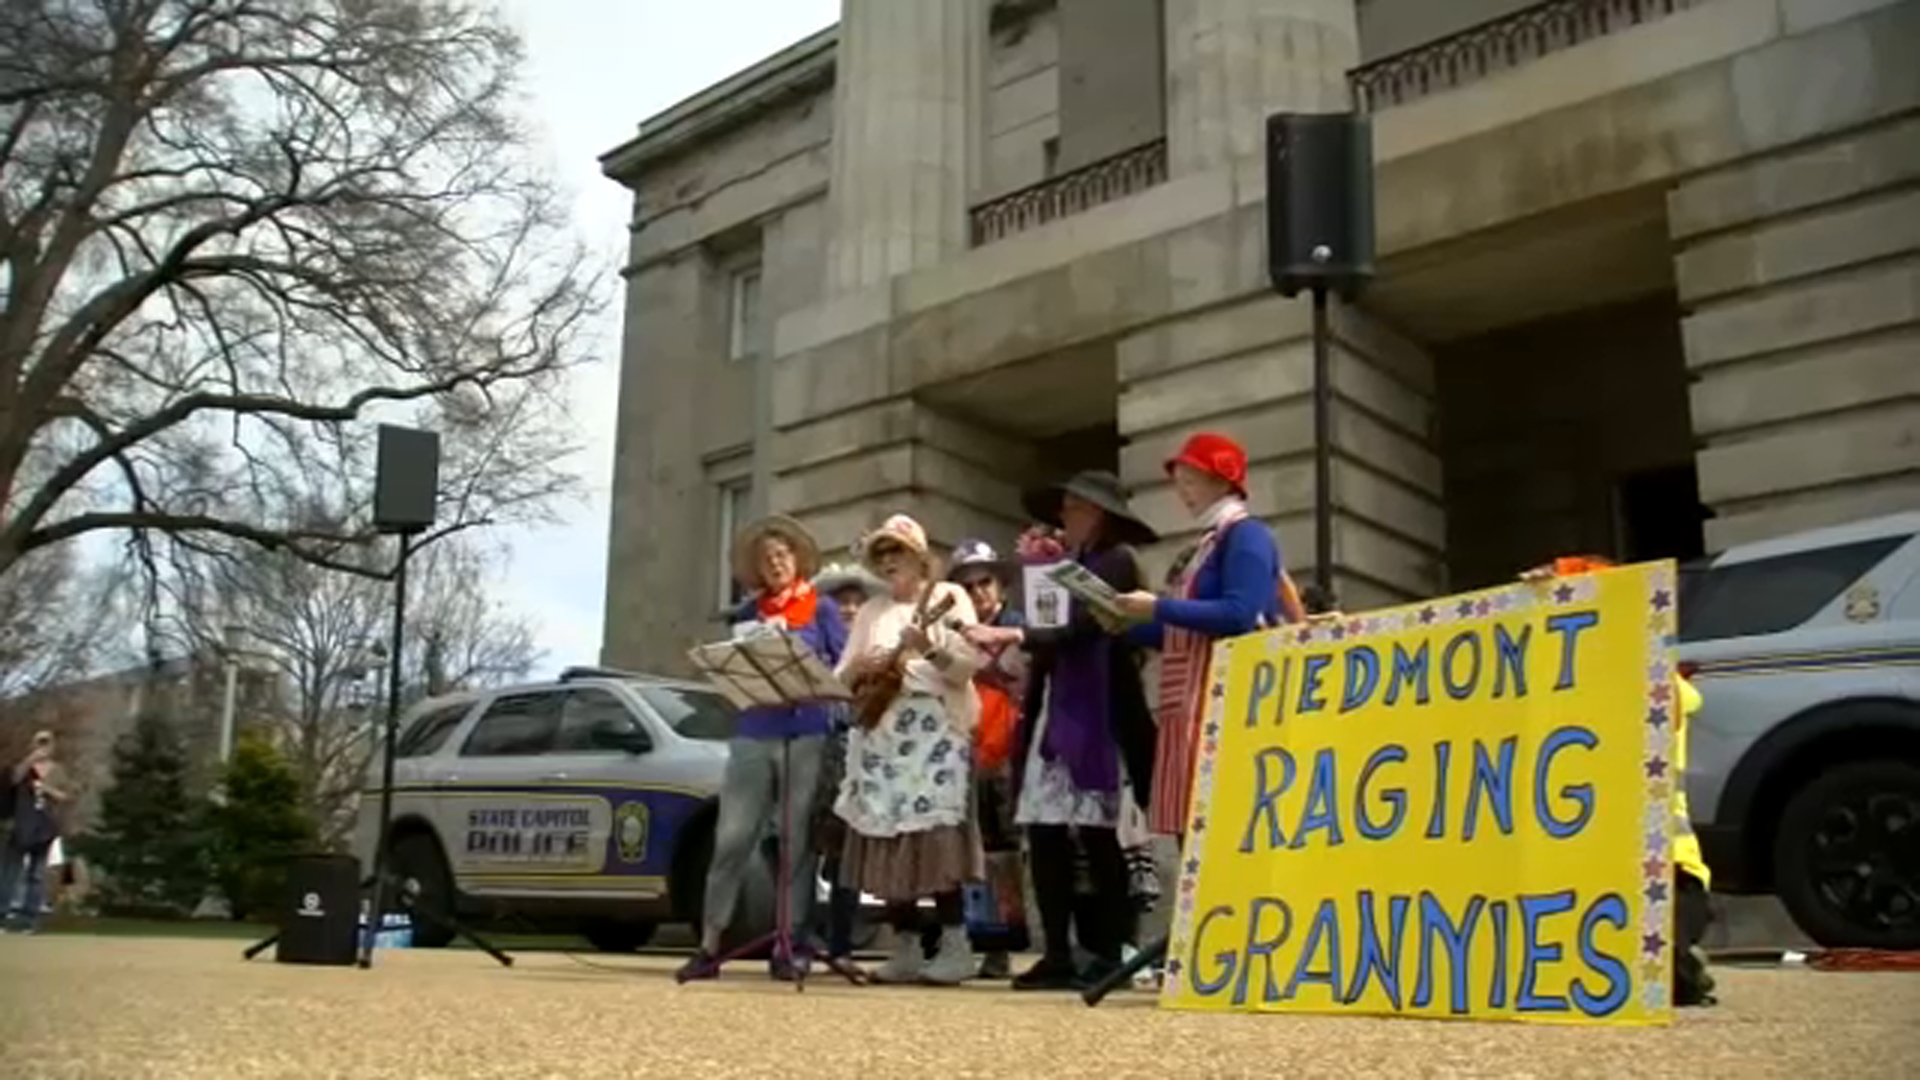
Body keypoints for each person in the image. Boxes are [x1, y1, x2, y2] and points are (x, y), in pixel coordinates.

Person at [968, 471, 1160, 990]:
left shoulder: (1117, 560)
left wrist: (1017, 630)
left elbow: (1090, 625)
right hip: (1057, 705)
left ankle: (1110, 947)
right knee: (1046, 830)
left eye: (1075, 507)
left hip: (1098, 709)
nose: (1066, 516)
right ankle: (1056, 949)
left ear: (1099, 513)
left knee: (1099, 835)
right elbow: (1052, 633)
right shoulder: (1065, 565)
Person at [1520, 555, 1717, 1006]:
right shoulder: (1544, 689)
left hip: (1664, 872)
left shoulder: (1654, 684)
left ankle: (1686, 959)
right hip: (1569, 876)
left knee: (1660, 980)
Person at [678, 515, 846, 982]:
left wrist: (821, 677)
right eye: (766, 559)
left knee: (795, 842)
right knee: (732, 838)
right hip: (754, 732)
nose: (774, 564)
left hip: (805, 731)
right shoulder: (748, 614)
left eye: (781, 555)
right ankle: (710, 942)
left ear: (796, 559)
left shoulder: (822, 607)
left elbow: (847, 665)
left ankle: (789, 944)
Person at [833, 514, 984, 985]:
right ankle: (906, 947)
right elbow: (839, 677)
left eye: (898, 551)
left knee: (936, 837)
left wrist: (929, 650)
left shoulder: (948, 598)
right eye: (883, 554)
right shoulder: (872, 611)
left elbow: (967, 666)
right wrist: (861, 666)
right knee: (889, 835)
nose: (890, 560)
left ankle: (956, 945)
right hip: (884, 734)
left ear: (919, 557)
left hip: (935, 730)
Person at [1109, 432, 1281, 837]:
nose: (1182, 493)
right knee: (1197, 830)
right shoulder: (1205, 544)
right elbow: (1183, 628)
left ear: (1222, 481)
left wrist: (1156, 607)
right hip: (1196, 707)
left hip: (1232, 706)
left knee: (1227, 826)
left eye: (1191, 481)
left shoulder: (1248, 535)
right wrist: (1128, 625)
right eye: (1179, 483)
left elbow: (1242, 613)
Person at [947, 538, 1028, 979]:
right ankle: (973, 940)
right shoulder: (953, 632)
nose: (979, 593)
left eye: (985, 582)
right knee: (969, 854)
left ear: (1000, 586)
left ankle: (1005, 945)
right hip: (964, 749)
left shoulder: (1017, 626)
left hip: (1008, 750)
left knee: (1005, 850)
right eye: (969, 585)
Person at [808, 560, 887, 972]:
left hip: (856, 763)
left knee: (845, 858)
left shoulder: (874, 657)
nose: (850, 609)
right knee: (809, 850)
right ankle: (802, 940)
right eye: (842, 602)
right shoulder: (815, 652)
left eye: (858, 602)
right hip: (816, 757)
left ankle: (841, 945)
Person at [2, 730, 69, 934]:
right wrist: (30, 760)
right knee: (9, 873)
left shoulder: (58, 771)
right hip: (21, 825)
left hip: (45, 827)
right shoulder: (23, 767)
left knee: (37, 874)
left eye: (47, 743)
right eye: (39, 742)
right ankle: (3, 915)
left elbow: (66, 795)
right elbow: (12, 780)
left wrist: (48, 790)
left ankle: (29, 918)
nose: (43, 747)